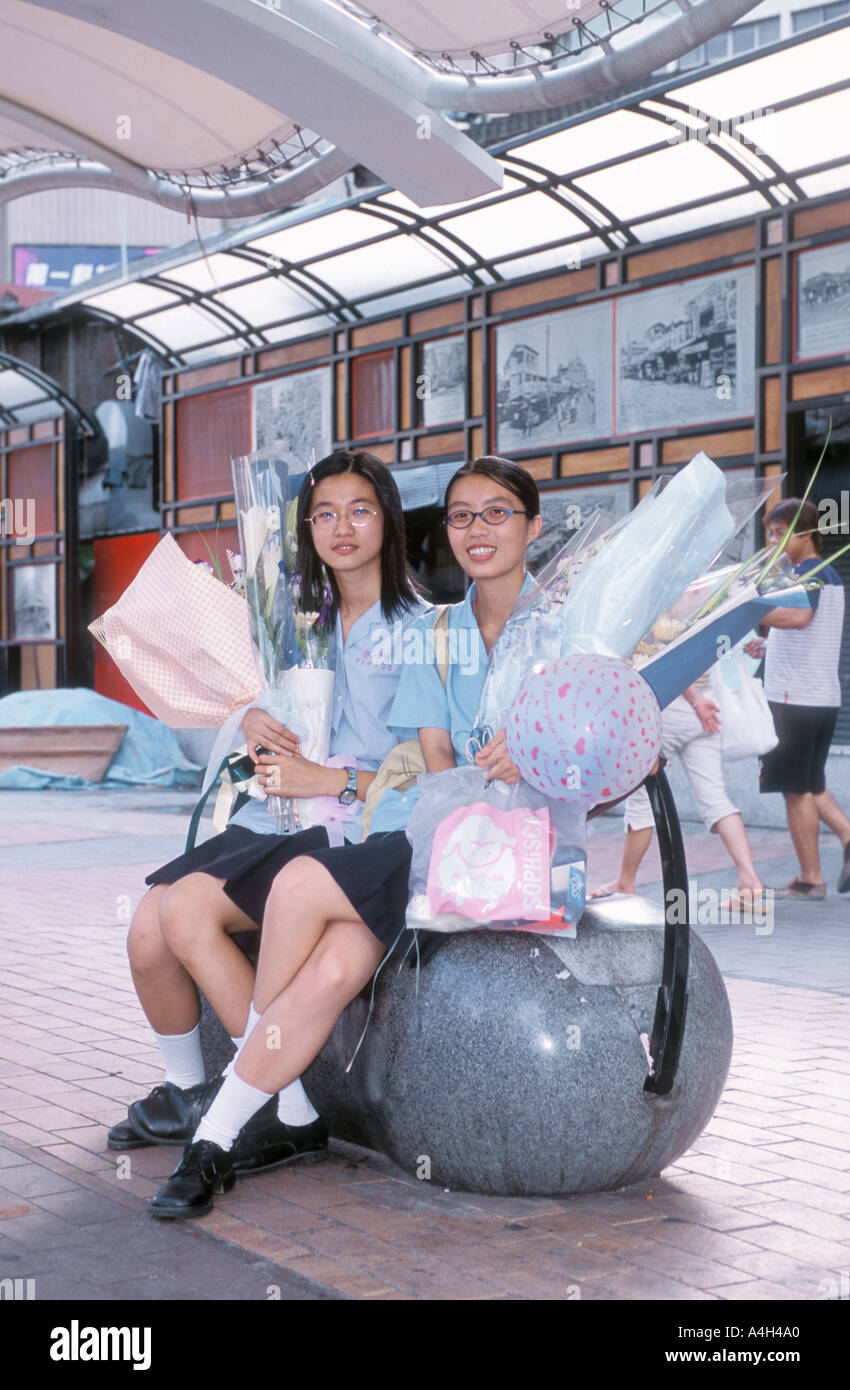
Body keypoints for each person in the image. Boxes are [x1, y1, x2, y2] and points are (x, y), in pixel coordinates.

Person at [148, 455, 543, 1217]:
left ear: (532, 526)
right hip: (416, 833)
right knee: (324, 967)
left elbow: (594, 753)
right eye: (463, 516)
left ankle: (220, 1133)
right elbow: (432, 765)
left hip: (464, 840)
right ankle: (259, 1126)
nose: (478, 529)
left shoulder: (510, 629)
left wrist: (535, 753)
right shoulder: (421, 631)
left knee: (303, 905)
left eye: (497, 513)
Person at [108, 449, 427, 1167]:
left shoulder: (424, 630)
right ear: (305, 528)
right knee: (147, 928)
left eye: (359, 511)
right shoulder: (293, 621)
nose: (341, 527)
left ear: (388, 519)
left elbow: (428, 772)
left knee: (184, 913)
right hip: (276, 813)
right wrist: (252, 718)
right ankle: (195, 1092)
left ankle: (277, 1104)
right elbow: (267, 714)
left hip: (351, 828)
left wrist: (331, 779)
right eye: (324, 514)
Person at [744, 498, 850, 898]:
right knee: (810, 783)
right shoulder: (830, 574)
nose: (771, 542)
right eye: (769, 534)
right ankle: (846, 839)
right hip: (821, 698)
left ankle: (810, 879)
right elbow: (812, 630)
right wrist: (768, 645)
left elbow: (801, 617)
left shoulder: (805, 573)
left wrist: (746, 612)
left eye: (778, 533)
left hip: (793, 698)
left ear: (805, 534)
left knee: (794, 788)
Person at [592, 674, 765, 910]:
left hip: (677, 704)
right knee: (715, 798)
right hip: (707, 703)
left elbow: (677, 663)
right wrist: (700, 701)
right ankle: (749, 880)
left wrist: (695, 700)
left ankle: (625, 882)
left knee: (641, 796)